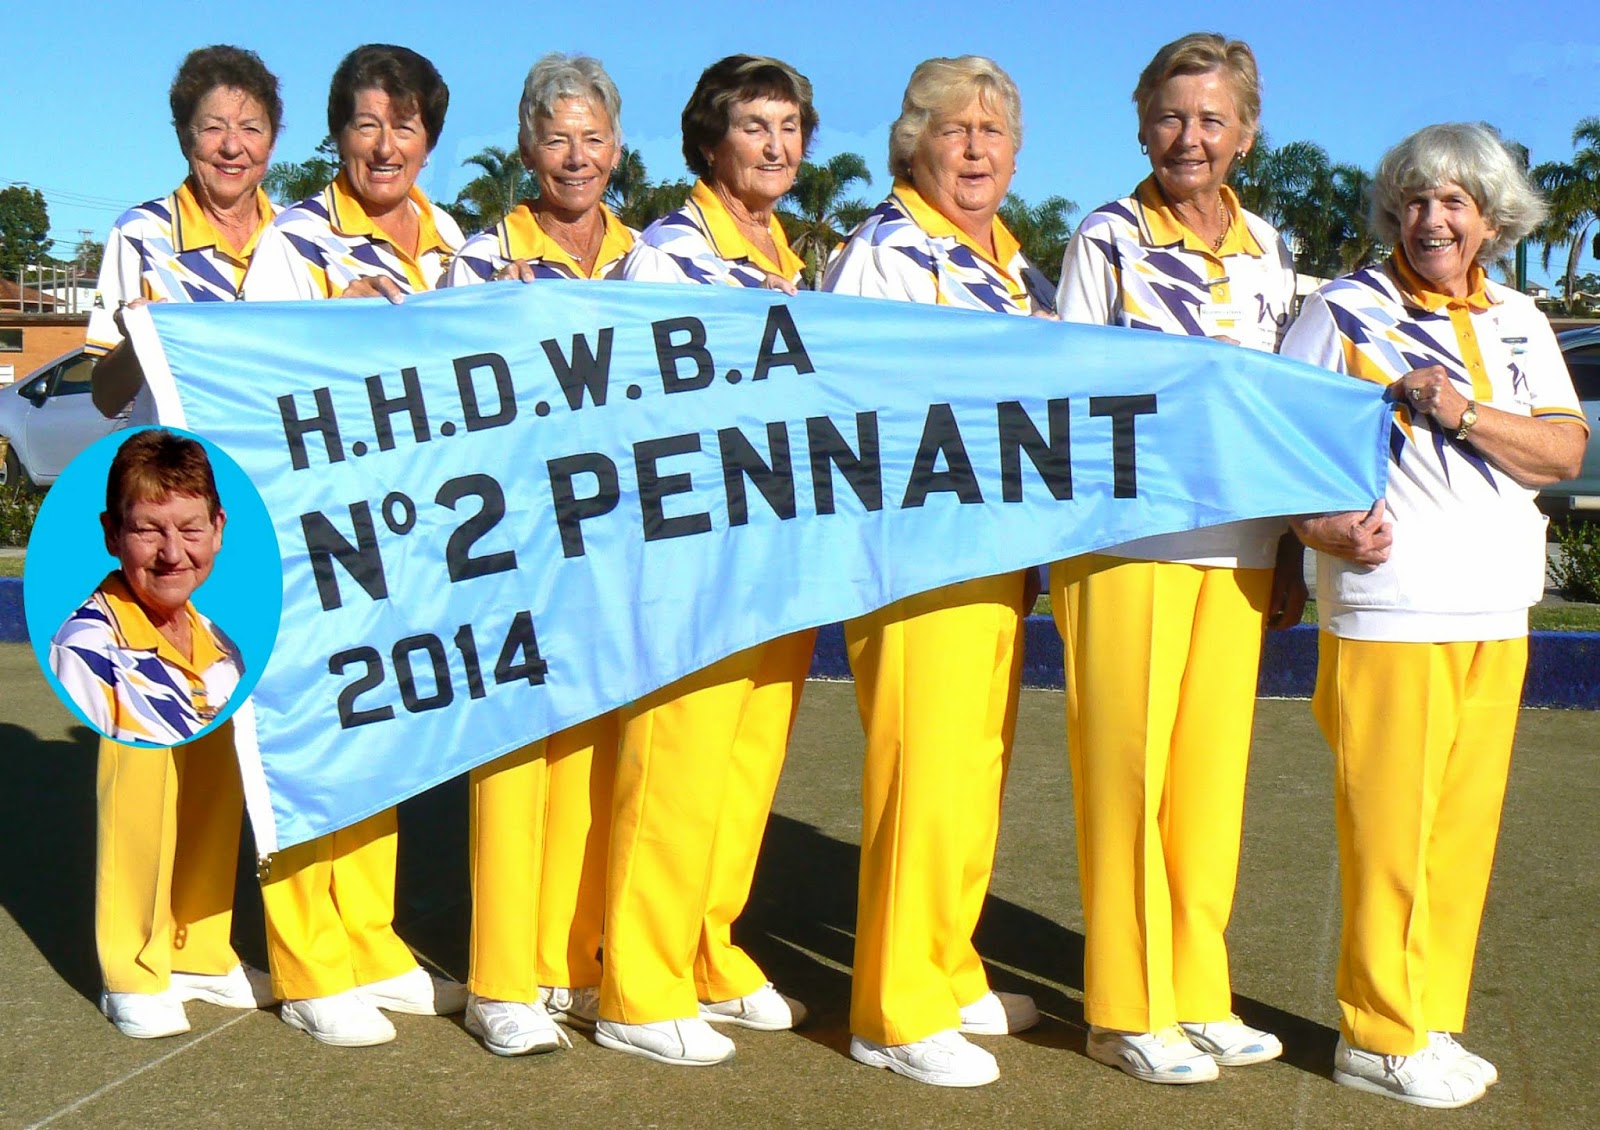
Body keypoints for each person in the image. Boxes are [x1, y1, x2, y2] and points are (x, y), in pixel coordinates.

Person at [1281, 122, 1584, 1109]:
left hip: (1498, 606)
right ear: (1391, 213)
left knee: (1459, 832)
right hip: (1390, 608)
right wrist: (1321, 529)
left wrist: (1459, 411)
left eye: (1452, 201)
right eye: (1413, 200)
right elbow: (1280, 451)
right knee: (1390, 831)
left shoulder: (1521, 317)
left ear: (1491, 219)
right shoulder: (1342, 311)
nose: (1430, 218)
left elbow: (1561, 453)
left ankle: (1427, 1014)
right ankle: (1375, 1031)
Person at [1052, 32, 1300, 1084]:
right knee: (1129, 778)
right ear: (1140, 122)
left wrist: (1288, 547)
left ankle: (1197, 988)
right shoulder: (1105, 237)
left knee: (1207, 784)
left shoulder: (1272, 247)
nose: (1189, 137)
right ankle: (1125, 1003)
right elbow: (1060, 397)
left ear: (1244, 132)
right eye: (1170, 114)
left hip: (1239, 551)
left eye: (1211, 118)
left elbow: (1287, 410)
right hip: (1130, 545)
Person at [819, 55, 1050, 1089]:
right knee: (920, 773)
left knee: (969, 772)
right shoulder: (882, 251)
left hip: (1001, 552)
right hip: (914, 547)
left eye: (991, 133)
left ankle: (948, 962)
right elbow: (851, 397)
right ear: (912, 142)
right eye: (952, 130)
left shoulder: (1019, 266)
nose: (972, 149)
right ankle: (893, 1004)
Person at [241, 43, 467, 1047]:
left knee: (386, 727)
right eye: (365, 123)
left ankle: (366, 932)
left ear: (429, 138)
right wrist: (338, 322)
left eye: (405, 124)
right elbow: (252, 373)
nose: (385, 144)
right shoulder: (294, 238)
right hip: (312, 522)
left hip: (415, 521)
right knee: (310, 734)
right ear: (336, 135)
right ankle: (306, 956)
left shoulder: (453, 239)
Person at [597, 54, 816, 1067]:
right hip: (693, 547)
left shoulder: (788, 254)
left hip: (780, 544)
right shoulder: (670, 253)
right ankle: (637, 984)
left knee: (742, 765)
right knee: (677, 761)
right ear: (709, 141)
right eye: (754, 126)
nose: (776, 145)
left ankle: (704, 946)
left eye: (789, 127)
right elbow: (644, 410)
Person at [78, 45, 282, 1040]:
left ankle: (202, 940)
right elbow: (97, 386)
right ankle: (131, 955)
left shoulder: (298, 239)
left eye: (248, 126)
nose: (231, 145)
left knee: (219, 720)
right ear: (184, 137)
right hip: (154, 503)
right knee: (137, 732)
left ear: (273, 139)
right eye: (212, 127)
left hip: (250, 511)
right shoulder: (141, 234)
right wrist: (143, 337)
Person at [440, 52, 633, 1057]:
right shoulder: (479, 257)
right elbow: (434, 402)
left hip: (617, 543)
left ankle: (567, 961)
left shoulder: (650, 262)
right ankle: (500, 978)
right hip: (510, 539)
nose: (575, 156)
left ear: (616, 148)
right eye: (556, 136)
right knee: (513, 754)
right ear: (526, 146)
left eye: (592, 137)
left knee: (597, 751)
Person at [53, 430, 238, 744]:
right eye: (148, 530)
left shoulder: (224, 649)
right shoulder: (86, 655)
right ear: (113, 534)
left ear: (217, 529)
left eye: (190, 529)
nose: (173, 554)